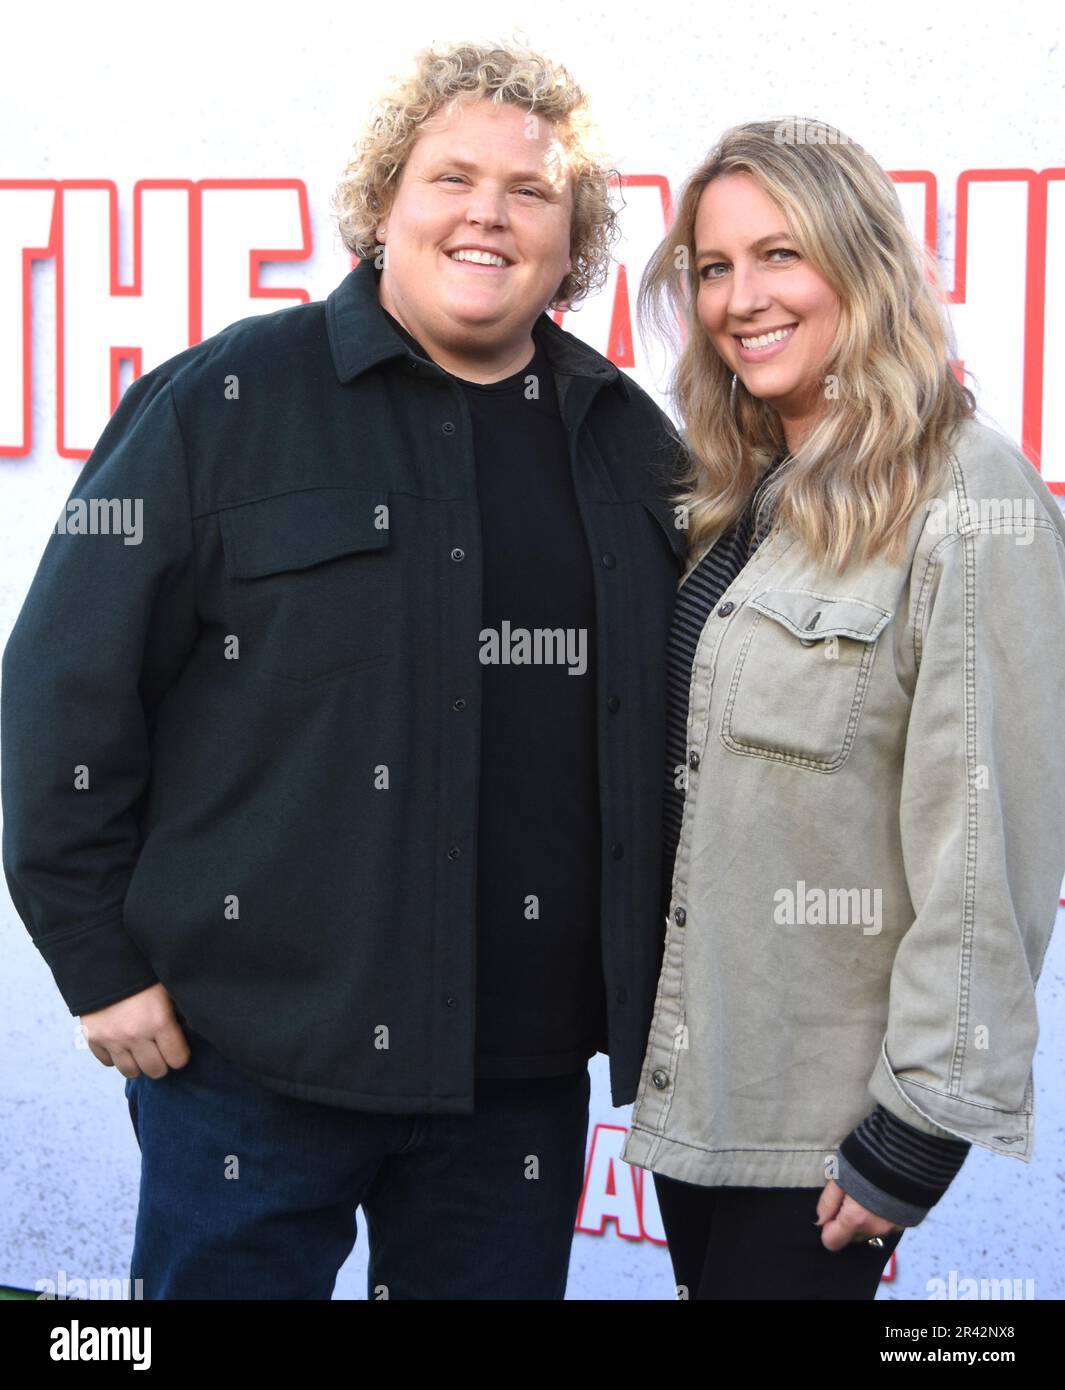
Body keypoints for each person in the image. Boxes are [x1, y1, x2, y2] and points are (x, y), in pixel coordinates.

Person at [0, 39, 689, 1300]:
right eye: (451, 178)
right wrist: (93, 959)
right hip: (246, 1063)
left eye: (532, 191)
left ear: (574, 238)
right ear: (384, 205)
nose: (487, 212)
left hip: (516, 1086)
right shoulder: (223, 402)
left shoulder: (629, 447)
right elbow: (62, 691)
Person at [620, 117, 1065, 1300]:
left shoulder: (969, 497)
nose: (739, 298)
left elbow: (990, 847)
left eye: (780, 255)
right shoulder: (745, 484)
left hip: (827, 1129)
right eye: (713, 267)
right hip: (708, 1085)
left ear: (860, 263)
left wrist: (918, 1127)